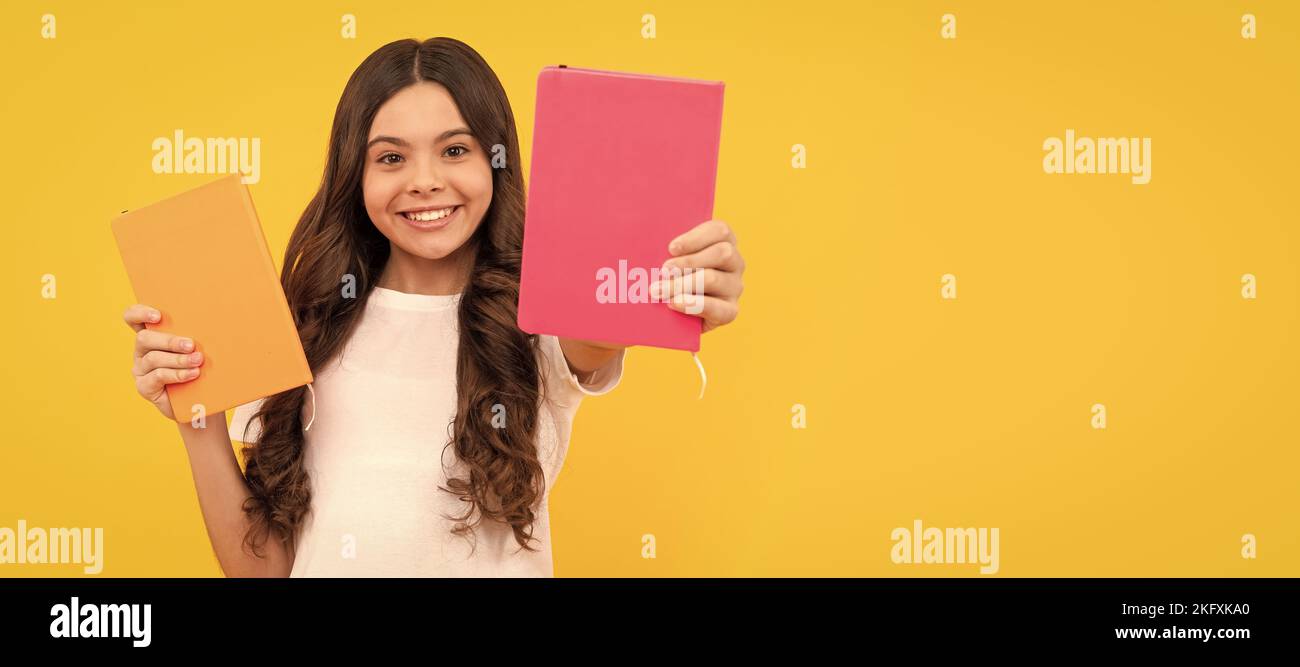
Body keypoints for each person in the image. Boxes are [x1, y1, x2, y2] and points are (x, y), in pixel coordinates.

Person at [121, 37, 745, 576]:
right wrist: (195, 413)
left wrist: (681, 279)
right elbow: (265, 568)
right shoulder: (300, 327)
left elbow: (605, 316)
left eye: (455, 150)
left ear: (496, 163)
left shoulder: (540, 318)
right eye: (391, 157)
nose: (424, 180)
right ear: (354, 176)